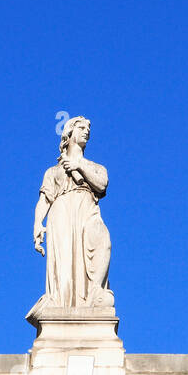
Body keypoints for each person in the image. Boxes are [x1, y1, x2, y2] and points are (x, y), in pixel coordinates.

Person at [31, 116, 113, 312]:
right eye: (81, 128)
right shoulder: (53, 172)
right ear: (69, 134)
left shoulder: (95, 167)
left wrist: (79, 165)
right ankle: (63, 305)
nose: (86, 131)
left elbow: (101, 185)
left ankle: (95, 294)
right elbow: (44, 200)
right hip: (61, 211)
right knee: (65, 264)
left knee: (102, 242)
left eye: (88, 129)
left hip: (87, 209)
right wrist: (37, 224)